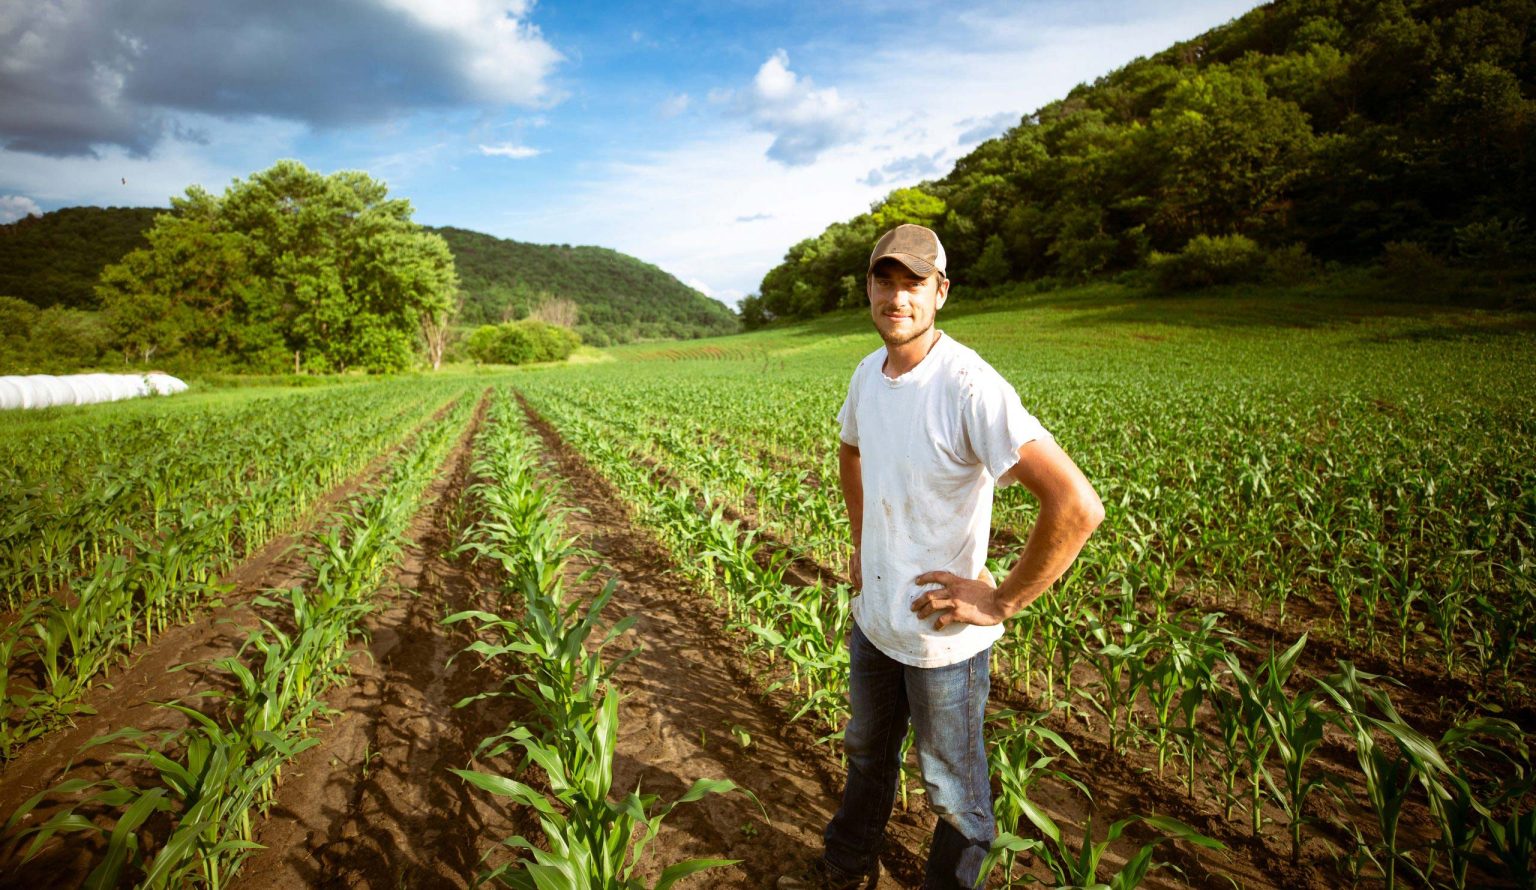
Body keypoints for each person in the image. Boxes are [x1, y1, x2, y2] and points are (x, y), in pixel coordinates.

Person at [778, 224, 1103, 890]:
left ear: (940, 292)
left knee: (953, 792)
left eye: (914, 283)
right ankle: (845, 873)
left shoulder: (967, 385)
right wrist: (864, 540)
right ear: (868, 287)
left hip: (941, 642)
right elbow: (851, 450)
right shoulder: (868, 373)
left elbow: (1076, 505)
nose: (897, 297)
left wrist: (1001, 599)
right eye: (885, 280)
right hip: (875, 622)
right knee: (867, 755)